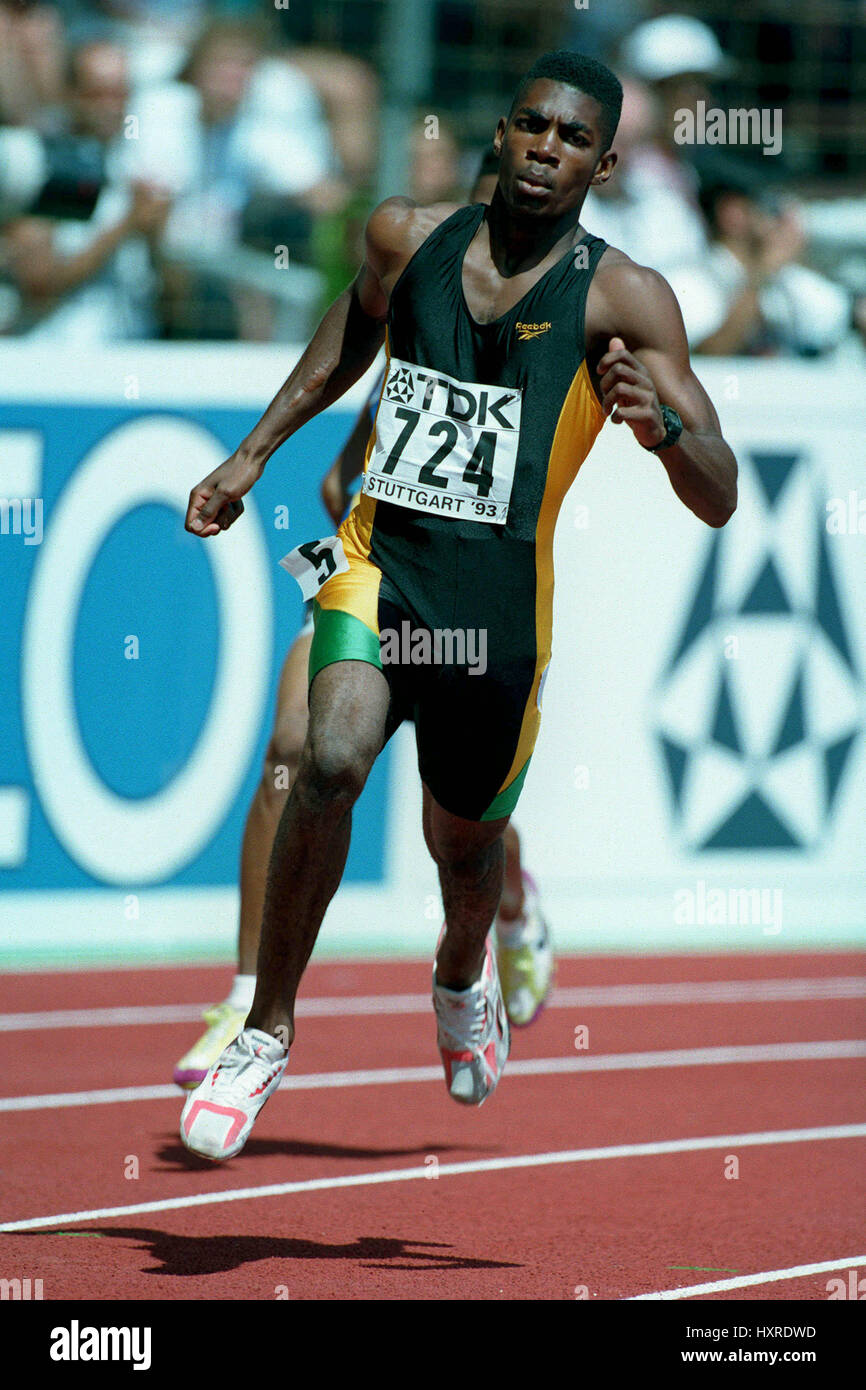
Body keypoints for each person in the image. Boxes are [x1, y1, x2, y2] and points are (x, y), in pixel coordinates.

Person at [179, 49, 737, 1161]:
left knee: (463, 850)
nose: (546, 150)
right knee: (326, 758)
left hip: (494, 618)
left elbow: (717, 492)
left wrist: (662, 428)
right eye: (532, 126)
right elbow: (349, 331)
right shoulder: (405, 233)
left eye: (573, 139)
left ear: (606, 163)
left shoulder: (625, 297)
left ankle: (455, 968)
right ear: (499, 132)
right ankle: (264, 1031)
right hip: (380, 570)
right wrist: (250, 456)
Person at [173, 152, 554, 1091]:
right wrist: (327, 541)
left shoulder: (553, 323)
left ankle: (509, 907)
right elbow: (347, 470)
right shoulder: (418, 296)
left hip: (476, 612)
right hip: (374, 580)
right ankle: (250, 993)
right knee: (299, 752)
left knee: (460, 824)